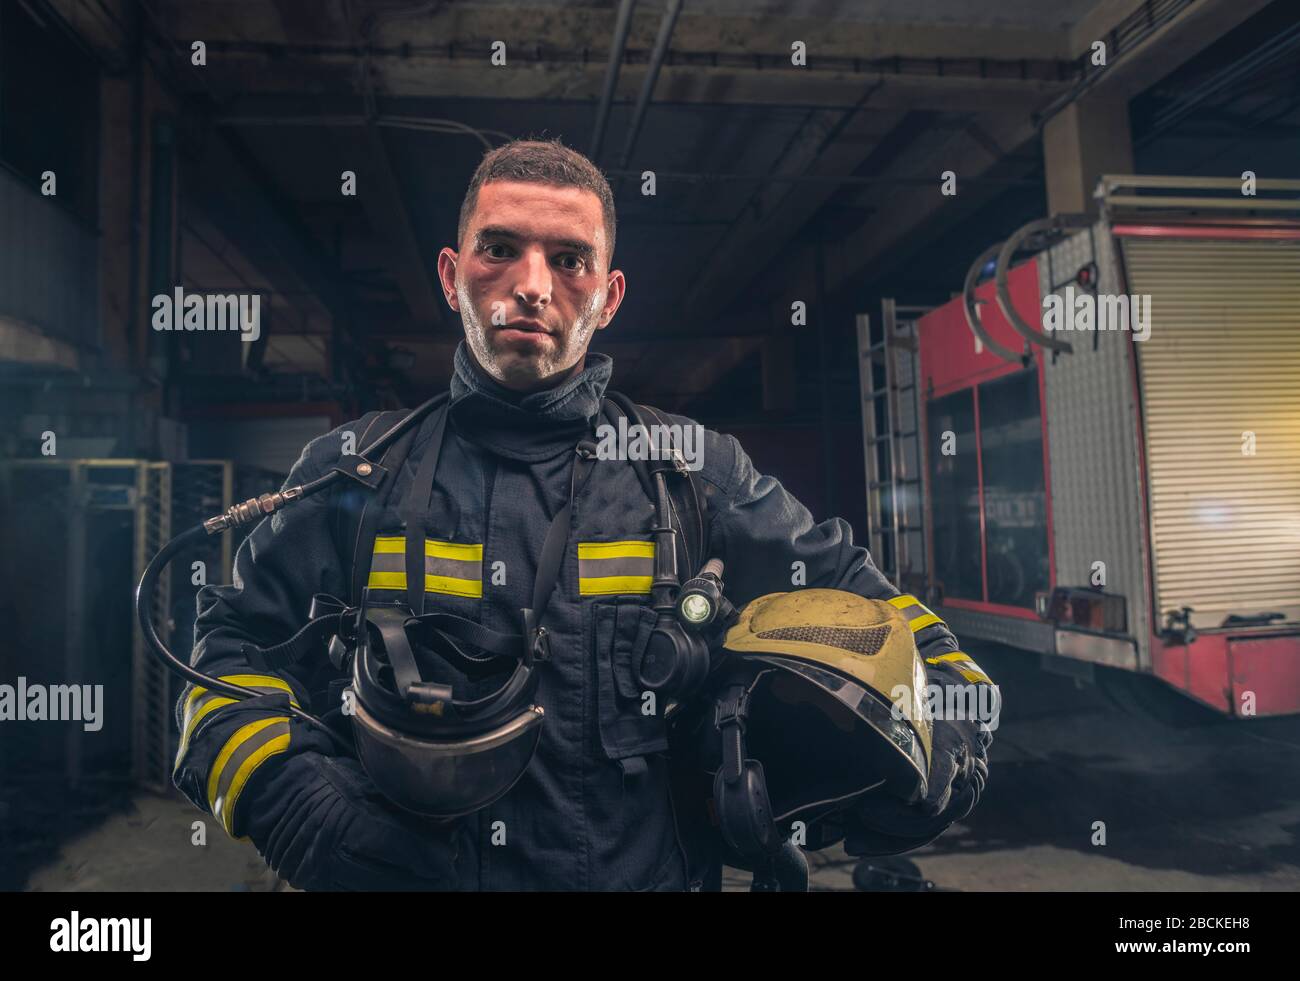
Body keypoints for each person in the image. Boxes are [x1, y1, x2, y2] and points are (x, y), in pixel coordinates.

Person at [172, 137, 995, 891]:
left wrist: (948, 729)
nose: (532, 284)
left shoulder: (692, 475)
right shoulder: (353, 474)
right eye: (500, 248)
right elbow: (223, 655)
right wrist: (291, 799)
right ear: (452, 275)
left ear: (608, 296)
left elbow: (889, 622)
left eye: (569, 259)